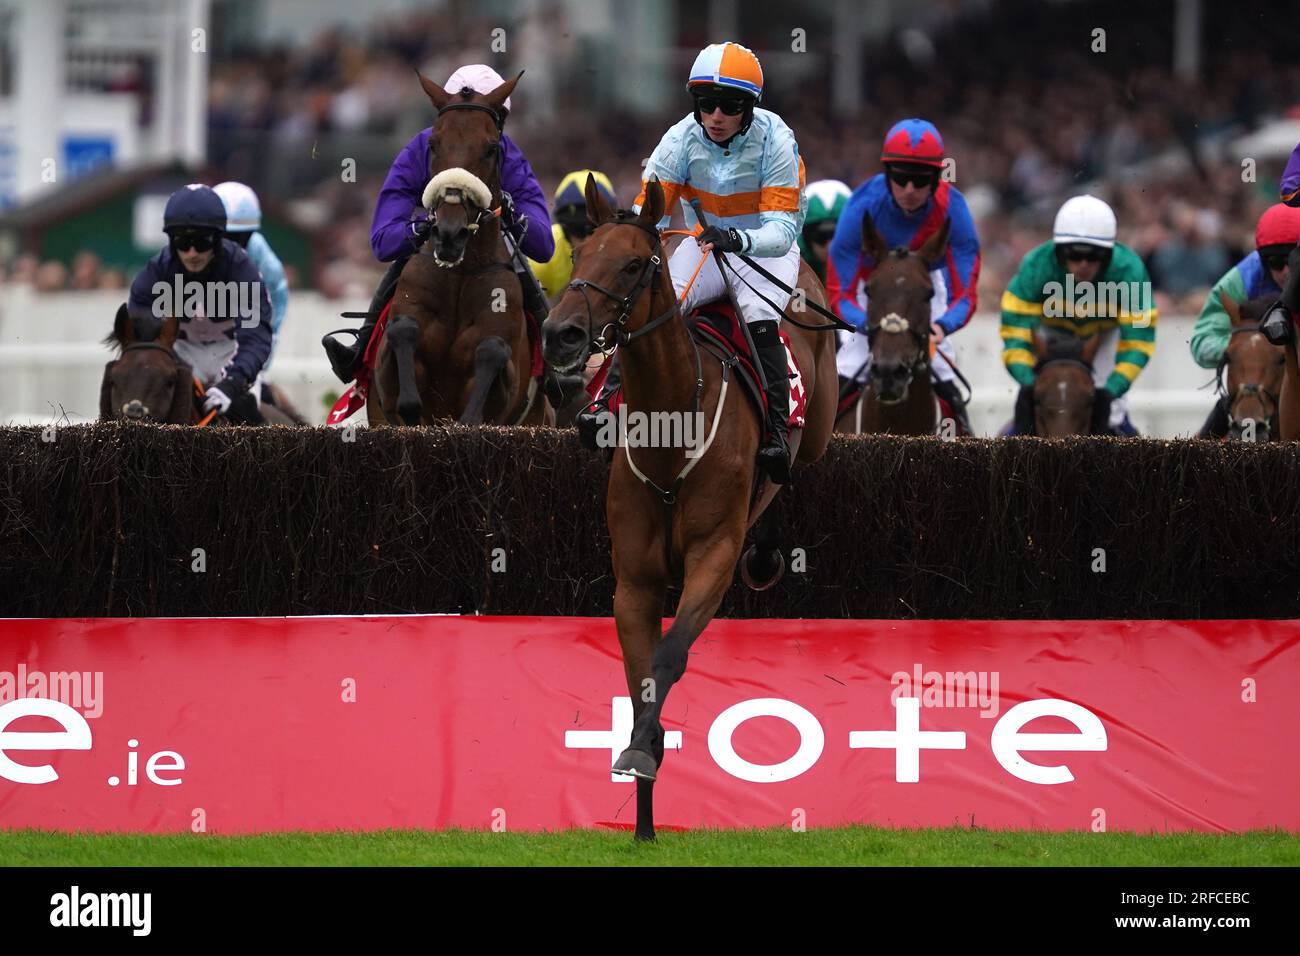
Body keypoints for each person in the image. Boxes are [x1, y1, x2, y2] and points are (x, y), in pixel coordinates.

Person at [577, 41, 805, 483]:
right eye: (706, 104)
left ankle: (777, 431)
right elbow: (652, 220)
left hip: (760, 251)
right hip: (704, 247)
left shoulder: (778, 141)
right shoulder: (678, 139)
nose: (715, 116)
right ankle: (605, 401)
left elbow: (782, 234)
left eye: (728, 106)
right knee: (656, 307)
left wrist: (736, 237)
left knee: (759, 319)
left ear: (750, 109)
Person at [322, 64, 554, 384]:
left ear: (497, 126)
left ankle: (554, 367)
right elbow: (383, 243)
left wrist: (511, 213)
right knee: (404, 260)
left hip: (490, 251)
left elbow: (543, 247)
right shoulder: (420, 150)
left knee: (520, 262)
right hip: (435, 240)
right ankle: (361, 347)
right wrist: (422, 227)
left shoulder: (508, 157)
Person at [827, 119, 981, 434]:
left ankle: (962, 437)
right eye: (900, 178)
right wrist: (868, 323)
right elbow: (838, 292)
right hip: (873, 292)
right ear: (887, 174)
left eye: (920, 180)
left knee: (941, 369)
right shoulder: (860, 207)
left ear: (937, 178)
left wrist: (943, 325)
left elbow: (964, 294)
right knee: (847, 367)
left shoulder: (955, 209)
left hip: (924, 292)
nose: (910, 189)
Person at [1000, 195, 1157, 435]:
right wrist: (1028, 381)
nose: (1083, 264)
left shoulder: (1130, 271)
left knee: (1112, 411)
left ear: (1109, 253)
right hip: (1050, 335)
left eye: (1093, 256)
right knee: (1035, 404)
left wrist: (1112, 389)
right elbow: (1016, 332)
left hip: (1102, 336)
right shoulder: (1036, 266)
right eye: (1074, 255)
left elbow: (1138, 341)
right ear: (1059, 251)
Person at [126, 183, 273, 423]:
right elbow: (139, 338)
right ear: (171, 241)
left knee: (245, 410)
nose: (192, 253)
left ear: (218, 239)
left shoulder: (241, 269)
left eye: (202, 242)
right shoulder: (156, 272)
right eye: (183, 242)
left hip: (231, 353)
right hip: (181, 355)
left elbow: (256, 336)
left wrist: (233, 382)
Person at [1189, 203, 1300, 437]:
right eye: (1274, 263)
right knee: (1230, 404)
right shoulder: (1239, 280)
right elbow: (1202, 342)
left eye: (1291, 263)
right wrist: (1247, 352)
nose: (1284, 273)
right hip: (1265, 385)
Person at [529, 169, 618, 300]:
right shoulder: (541, 257)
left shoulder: (624, 250)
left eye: (595, 231)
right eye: (579, 231)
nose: (588, 240)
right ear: (564, 228)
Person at [798, 179, 850, 283]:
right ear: (805, 237)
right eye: (820, 236)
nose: (830, 246)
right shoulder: (790, 276)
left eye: (838, 235)